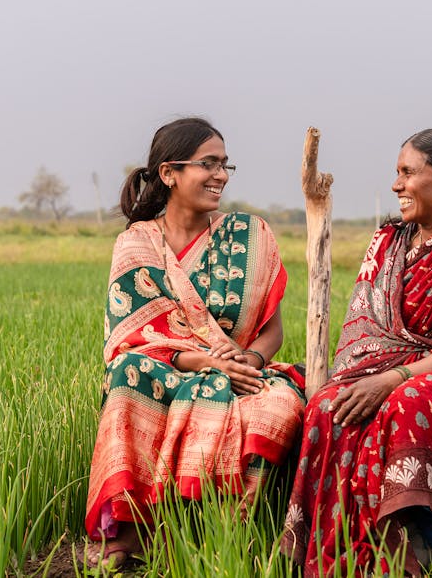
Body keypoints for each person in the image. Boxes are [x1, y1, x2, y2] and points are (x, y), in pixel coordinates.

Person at [281, 128, 432, 578]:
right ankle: (376, 540)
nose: (396, 185)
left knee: (413, 398)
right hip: (409, 367)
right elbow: (369, 329)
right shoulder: (387, 243)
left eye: (408, 172)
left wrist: (396, 375)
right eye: (397, 173)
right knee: (328, 407)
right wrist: (423, 349)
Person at [84, 117, 306, 569]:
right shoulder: (137, 243)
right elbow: (132, 337)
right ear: (169, 173)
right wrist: (207, 362)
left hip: (244, 369)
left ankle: (221, 534)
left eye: (226, 165)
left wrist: (248, 359)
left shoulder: (250, 236)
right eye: (209, 164)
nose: (221, 175)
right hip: (170, 368)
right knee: (127, 377)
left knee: (277, 405)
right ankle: (130, 533)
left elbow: (273, 332)